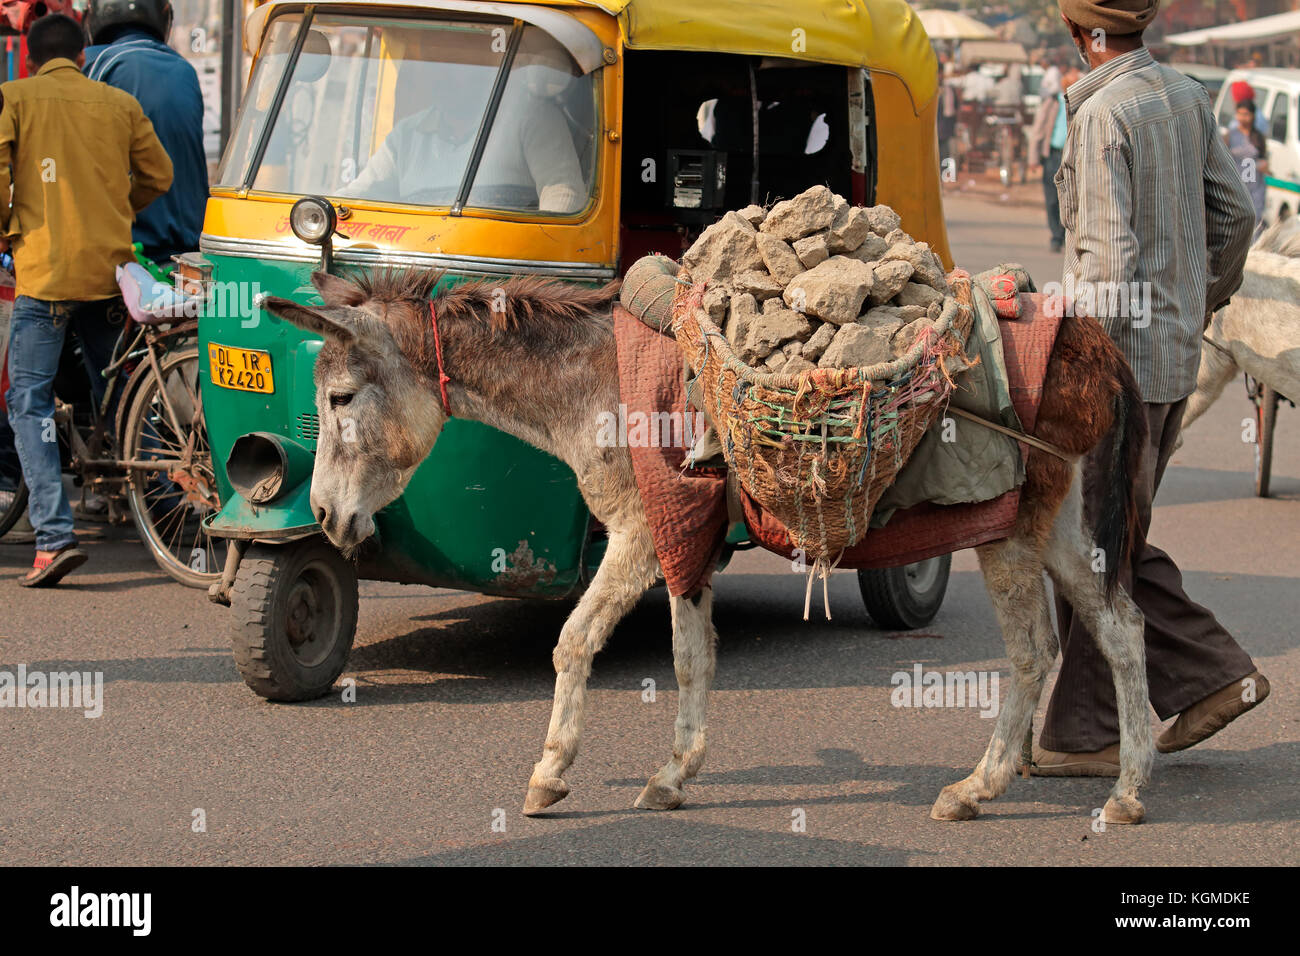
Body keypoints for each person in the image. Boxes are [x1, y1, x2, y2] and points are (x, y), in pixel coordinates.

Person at [1031, 0, 1269, 775]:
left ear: (1079, 34)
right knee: (1111, 539)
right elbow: (1234, 219)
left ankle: (1204, 680)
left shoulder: (1105, 114)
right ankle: (1097, 724)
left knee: (1092, 545)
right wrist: (1198, 299)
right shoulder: (1186, 96)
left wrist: (1061, 360)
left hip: (1115, 374)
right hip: (1169, 358)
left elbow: (1103, 264)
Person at [0, 13, 173, 587]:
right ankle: (163, 509)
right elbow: (159, 175)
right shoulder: (117, 104)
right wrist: (116, 207)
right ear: (83, 54)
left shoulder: (15, 98)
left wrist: (9, 230)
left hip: (44, 275)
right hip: (108, 271)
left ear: (30, 55)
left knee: (29, 402)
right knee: (120, 396)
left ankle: (53, 536)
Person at [82, 0, 207, 262]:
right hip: (190, 247)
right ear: (164, 19)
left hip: (130, 249)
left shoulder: (98, 63)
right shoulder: (184, 69)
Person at [1027, 65, 1072, 251]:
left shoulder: (1080, 104)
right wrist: (1033, 158)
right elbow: (1038, 130)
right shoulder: (1052, 103)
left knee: (1070, 198)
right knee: (1052, 198)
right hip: (1053, 155)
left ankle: (1067, 234)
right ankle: (1056, 235)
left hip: (1072, 156)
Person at [1226, 99, 1268, 236]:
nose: (1243, 118)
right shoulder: (1230, 136)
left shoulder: (1258, 137)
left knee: (1254, 222)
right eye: (1240, 114)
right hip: (1235, 186)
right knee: (1235, 221)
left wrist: (1263, 165)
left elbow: (1264, 160)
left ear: (1253, 116)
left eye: (1246, 114)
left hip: (1255, 187)